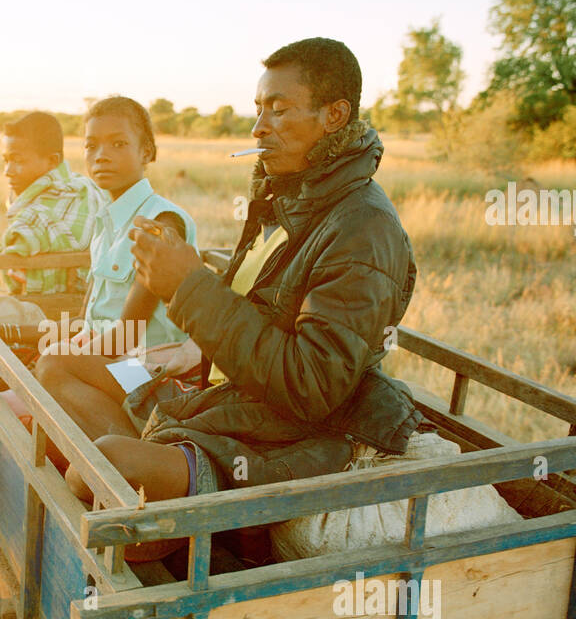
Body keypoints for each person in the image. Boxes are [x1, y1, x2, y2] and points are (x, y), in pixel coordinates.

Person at [61, 39, 422, 513]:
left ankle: (162, 454)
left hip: (271, 437)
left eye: (278, 110)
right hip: (211, 394)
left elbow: (310, 386)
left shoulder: (362, 228)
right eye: (258, 110)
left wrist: (188, 286)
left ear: (334, 116)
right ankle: (158, 441)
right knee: (63, 366)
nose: (257, 129)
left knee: (105, 462)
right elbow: (247, 318)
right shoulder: (284, 200)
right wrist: (190, 348)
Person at [35, 95, 200, 443]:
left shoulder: (160, 221)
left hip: (147, 372)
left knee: (53, 364)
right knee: (46, 360)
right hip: (113, 362)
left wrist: (68, 350)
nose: (101, 156)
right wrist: (60, 337)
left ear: (147, 152)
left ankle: (139, 453)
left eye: (119, 144)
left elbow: (126, 336)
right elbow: (90, 319)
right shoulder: (104, 222)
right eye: (91, 146)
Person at [0, 110, 102, 296]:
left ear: (52, 161)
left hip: (62, 310)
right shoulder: (77, 184)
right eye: (6, 160)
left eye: (18, 160)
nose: (8, 171)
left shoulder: (41, 214)